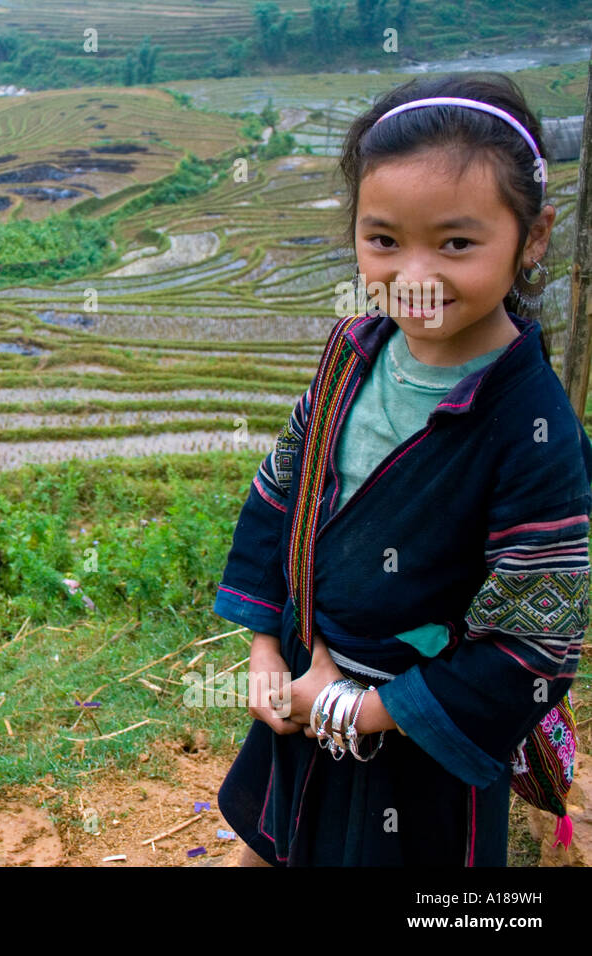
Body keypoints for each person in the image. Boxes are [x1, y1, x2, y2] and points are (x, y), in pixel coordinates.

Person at [211, 72, 592, 866]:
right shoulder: (351, 355)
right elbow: (282, 489)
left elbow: (532, 641)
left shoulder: (535, 433)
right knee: (271, 833)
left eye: (456, 243)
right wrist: (263, 650)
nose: (413, 274)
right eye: (384, 240)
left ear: (535, 236)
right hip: (301, 679)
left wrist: (357, 709)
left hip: (415, 735)